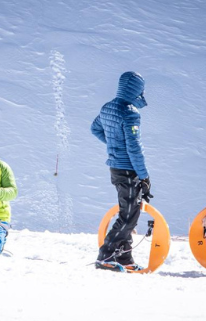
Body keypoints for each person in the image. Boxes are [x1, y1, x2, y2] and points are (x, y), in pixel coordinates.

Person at [91, 71, 152, 271]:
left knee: (129, 212)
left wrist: (114, 147)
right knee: (128, 216)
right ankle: (106, 256)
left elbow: (95, 128)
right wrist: (144, 176)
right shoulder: (130, 112)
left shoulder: (108, 107)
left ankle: (125, 257)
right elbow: (134, 148)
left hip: (116, 168)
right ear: (136, 89)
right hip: (128, 170)